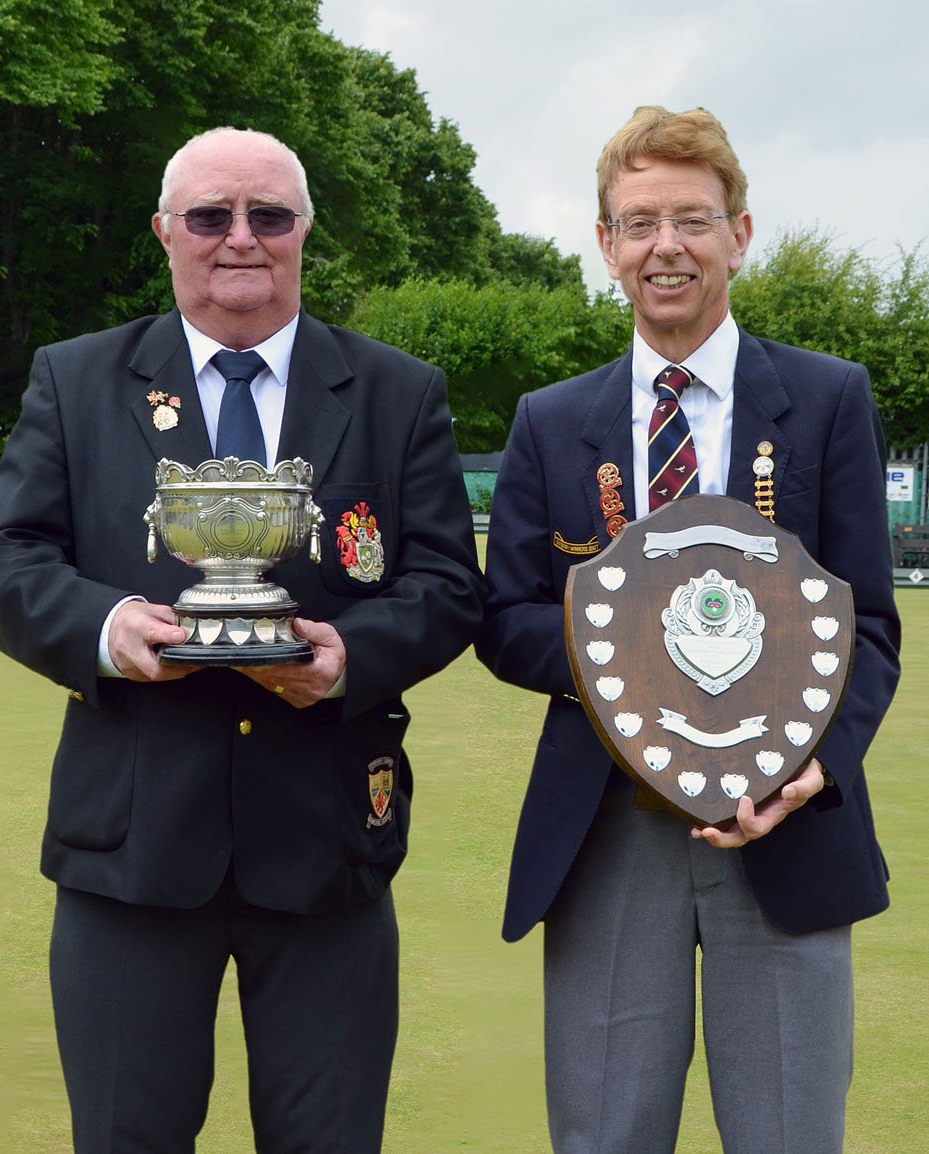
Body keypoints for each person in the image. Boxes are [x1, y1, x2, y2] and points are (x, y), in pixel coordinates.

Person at [0, 126, 483, 1153]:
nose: (239, 237)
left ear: (303, 232)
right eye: (210, 216)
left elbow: (443, 586)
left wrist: (347, 659)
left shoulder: (394, 390)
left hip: (327, 841)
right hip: (132, 848)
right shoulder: (76, 380)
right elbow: (6, 565)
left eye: (269, 215)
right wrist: (109, 628)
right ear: (166, 232)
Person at [476, 105, 900, 1154]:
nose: (666, 245)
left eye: (693, 220)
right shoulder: (548, 419)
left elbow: (871, 625)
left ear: (738, 236)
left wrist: (813, 768)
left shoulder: (828, 398)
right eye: (639, 221)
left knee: (792, 1133)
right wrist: (634, 669)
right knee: (605, 1132)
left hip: (787, 820)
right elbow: (507, 619)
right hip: (609, 824)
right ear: (607, 245)